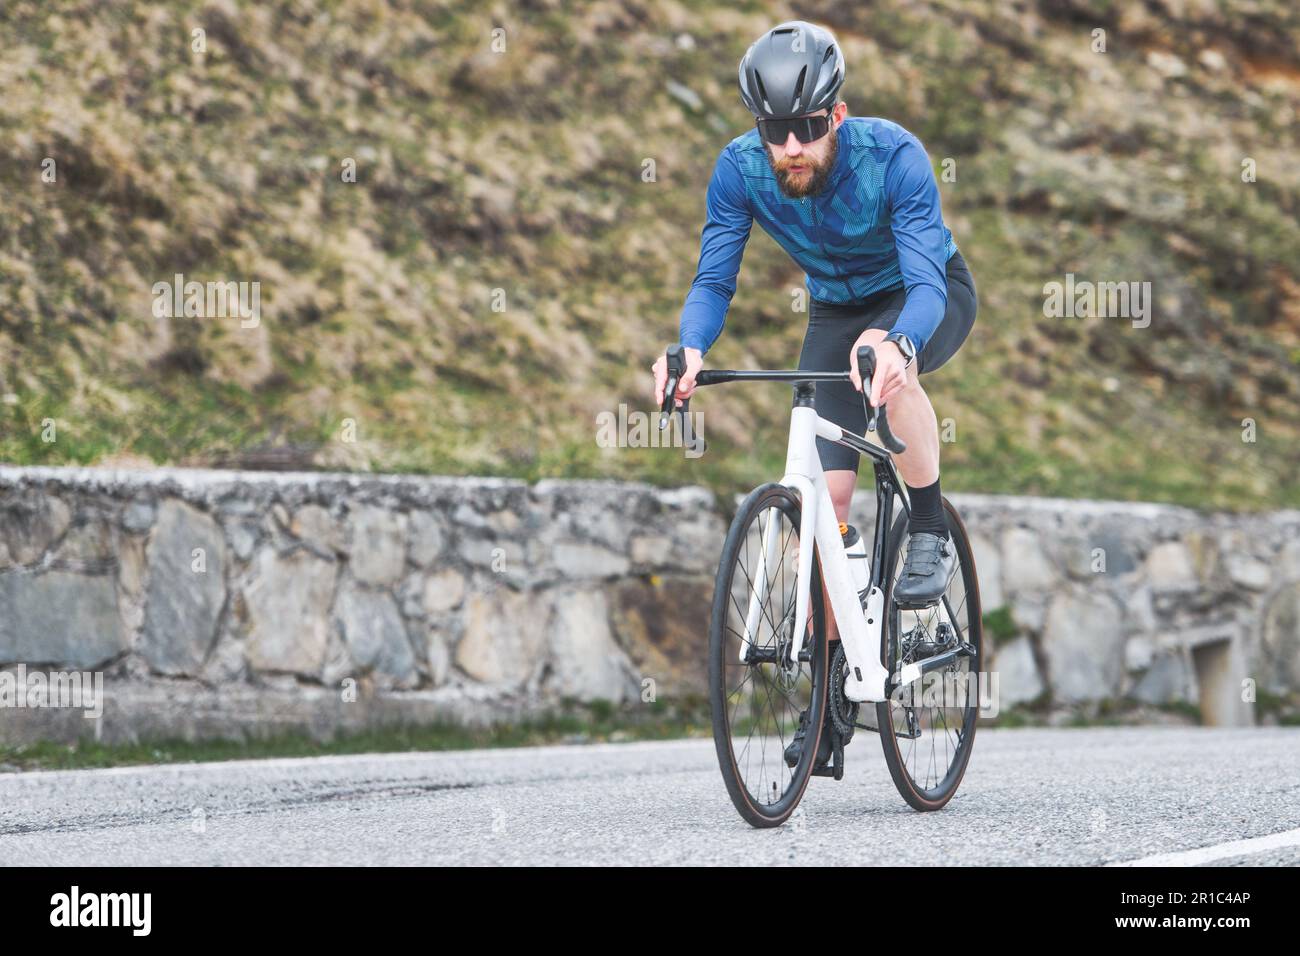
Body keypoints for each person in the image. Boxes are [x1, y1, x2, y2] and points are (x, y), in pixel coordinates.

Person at [651, 20, 978, 770]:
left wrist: (898, 343)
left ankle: (924, 520)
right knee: (823, 508)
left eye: (804, 127)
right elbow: (714, 278)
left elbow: (926, 283)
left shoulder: (893, 155)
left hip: (925, 293)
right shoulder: (739, 170)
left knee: (892, 373)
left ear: (834, 115)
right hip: (833, 309)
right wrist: (692, 348)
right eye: (774, 130)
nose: (790, 147)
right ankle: (831, 699)